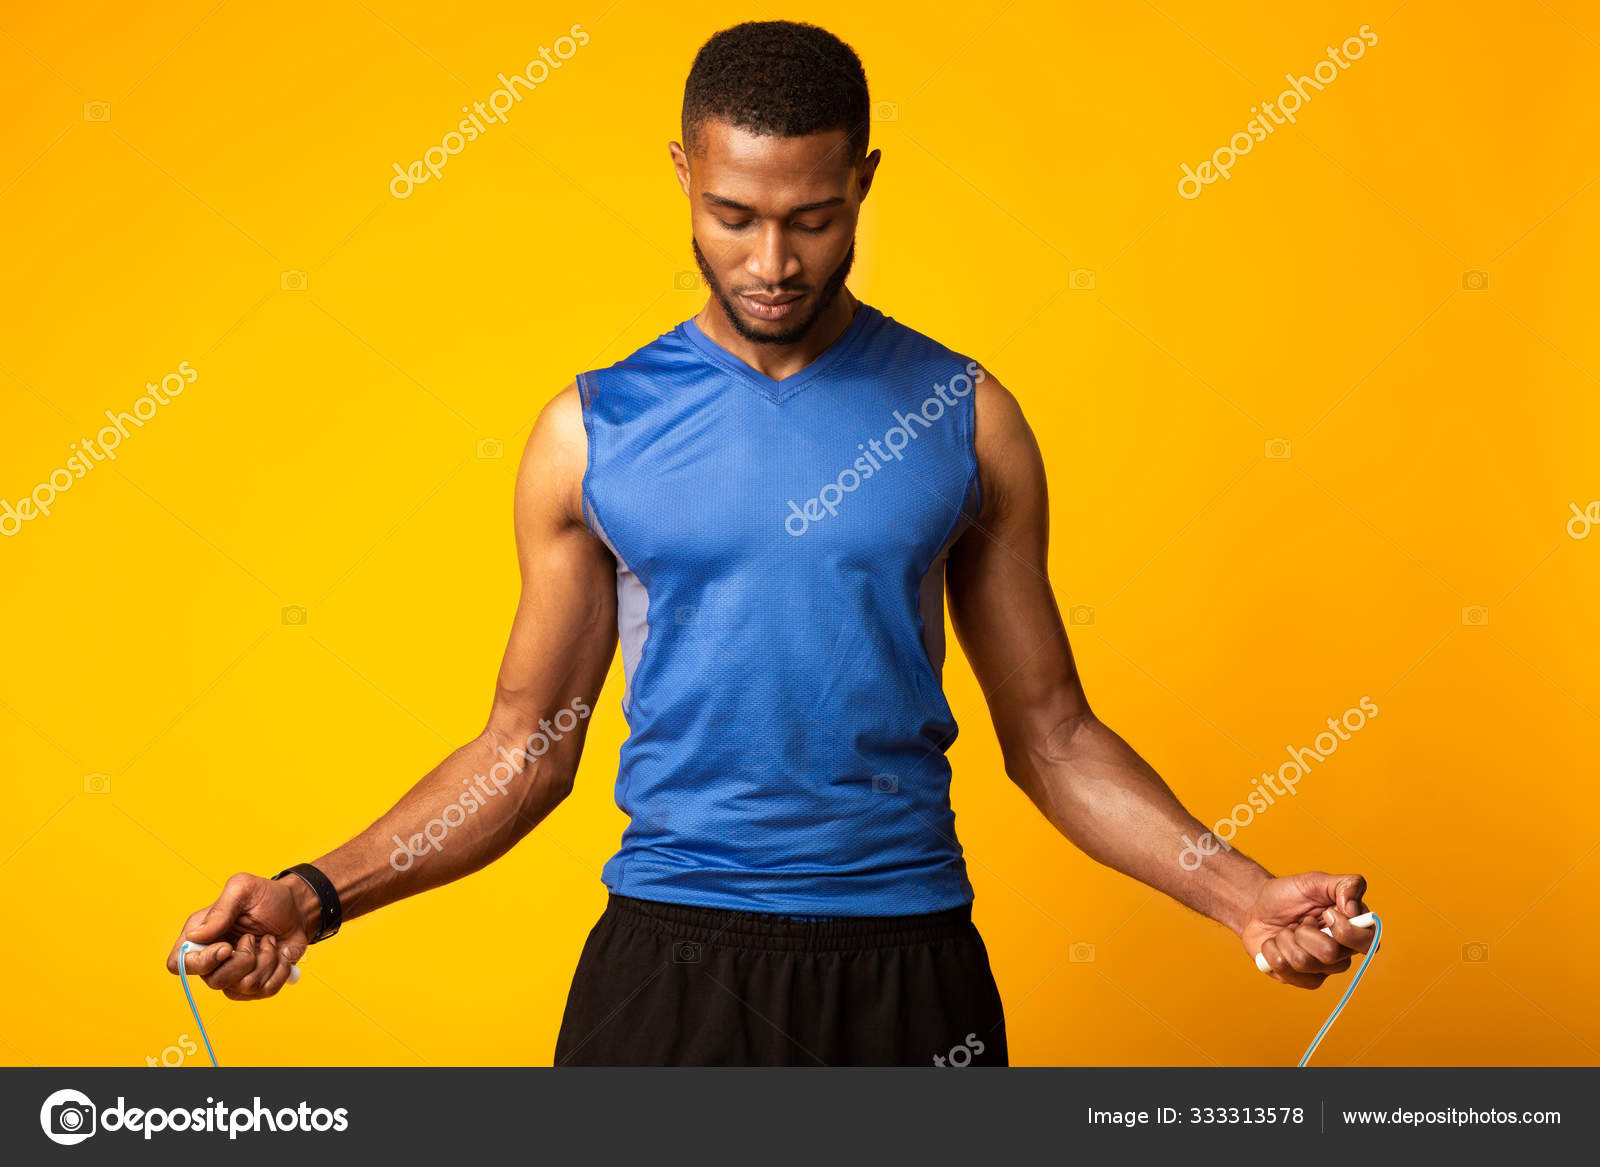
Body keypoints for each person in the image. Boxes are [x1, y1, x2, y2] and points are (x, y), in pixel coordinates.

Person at [166, 19, 1374, 1067]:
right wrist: (313, 895)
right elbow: (530, 747)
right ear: (681, 173)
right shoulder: (591, 433)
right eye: (731, 216)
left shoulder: (966, 416)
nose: (773, 263)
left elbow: (1052, 738)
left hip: (910, 971)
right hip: (669, 967)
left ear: (865, 181)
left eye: (814, 218)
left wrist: (1246, 897)